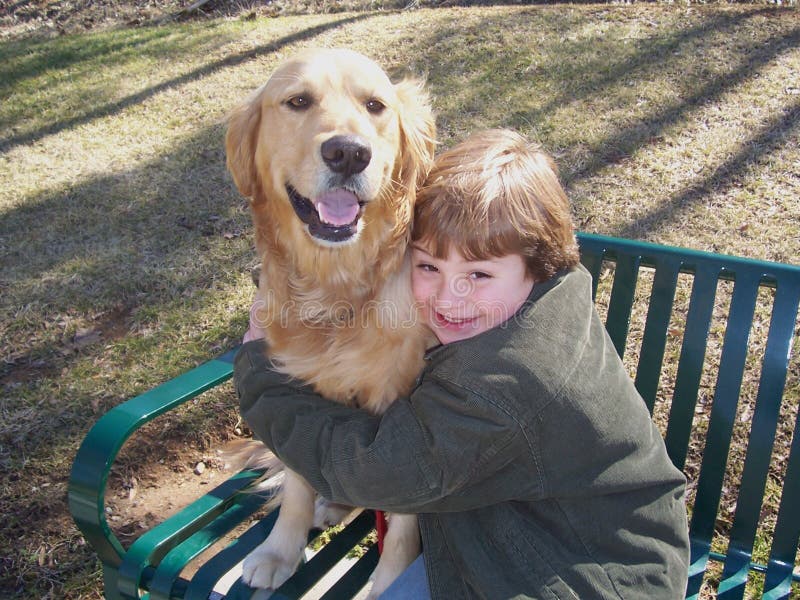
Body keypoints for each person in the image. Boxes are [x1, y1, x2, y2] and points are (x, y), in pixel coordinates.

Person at [234, 129, 690, 599]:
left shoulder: (503, 384)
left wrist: (262, 369)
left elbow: (382, 473)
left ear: (538, 262)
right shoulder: (535, 299)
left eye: (478, 274)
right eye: (428, 266)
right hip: (509, 535)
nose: (450, 297)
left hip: (585, 580)